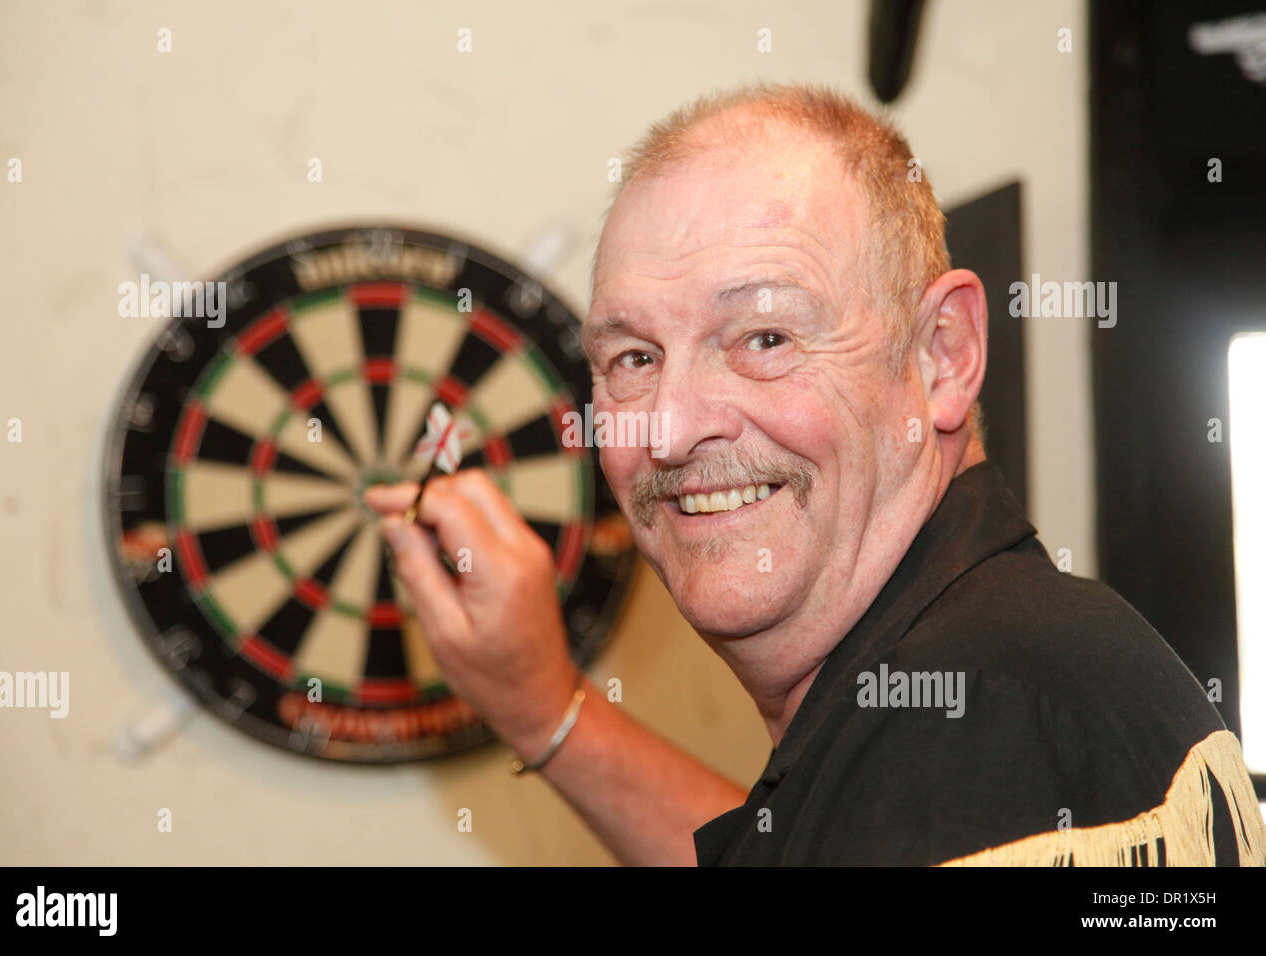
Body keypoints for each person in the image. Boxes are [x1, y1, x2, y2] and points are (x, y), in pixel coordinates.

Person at [365, 82, 1265, 866]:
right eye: (634, 358)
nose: (671, 430)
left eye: (765, 339)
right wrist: (542, 706)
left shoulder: (983, 725)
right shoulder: (945, 682)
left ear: (942, 356)